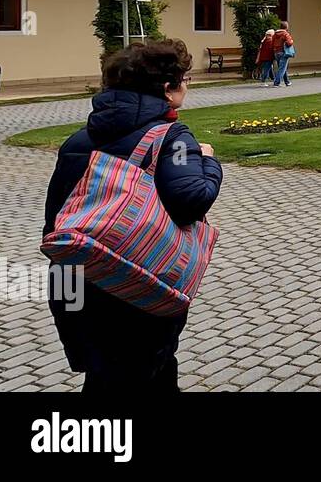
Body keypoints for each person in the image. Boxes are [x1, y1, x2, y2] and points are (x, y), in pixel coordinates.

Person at [43, 39, 223, 392]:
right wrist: (207, 161)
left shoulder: (78, 141)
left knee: (105, 375)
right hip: (137, 283)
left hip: (73, 281)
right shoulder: (172, 139)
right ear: (167, 90)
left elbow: (54, 218)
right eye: (185, 80)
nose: (187, 86)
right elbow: (190, 200)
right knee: (142, 372)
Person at [272, 21, 294, 87]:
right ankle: (276, 83)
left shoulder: (275, 34)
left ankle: (287, 82)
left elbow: (272, 43)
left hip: (276, 52)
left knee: (282, 68)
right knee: (282, 69)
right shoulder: (285, 34)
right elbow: (289, 43)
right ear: (286, 27)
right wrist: (292, 41)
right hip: (283, 52)